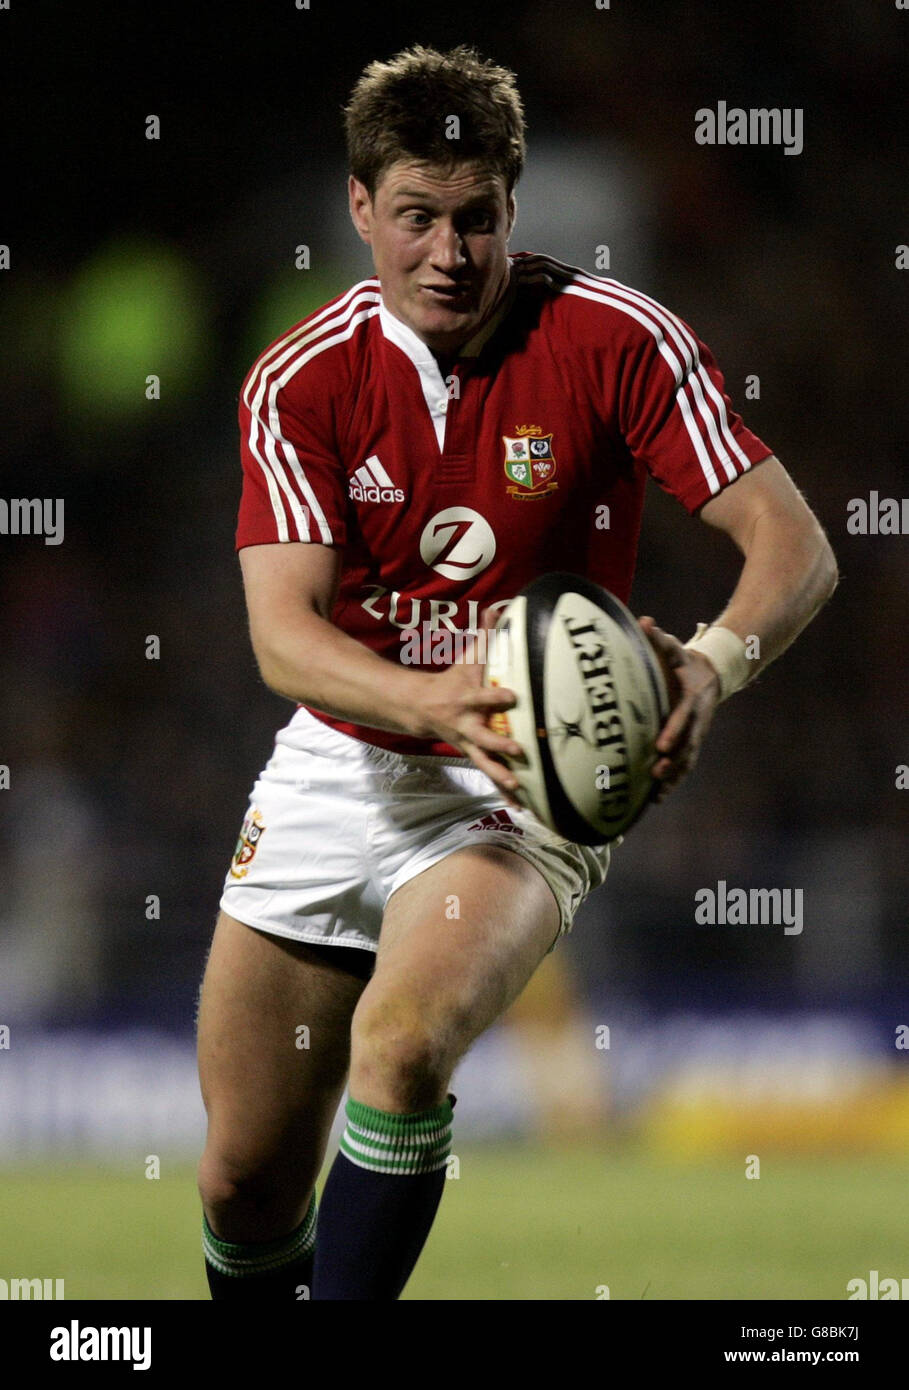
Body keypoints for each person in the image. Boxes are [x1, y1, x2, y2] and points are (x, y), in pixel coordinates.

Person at [195, 44, 837, 1301]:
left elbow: (796, 547)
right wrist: (430, 697)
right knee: (242, 1179)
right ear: (361, 208)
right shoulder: (299, 378)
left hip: (527, 778)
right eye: (419, 216)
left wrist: (708, 665)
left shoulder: (614, 339)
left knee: (404, 1042)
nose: (449, 251)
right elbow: (286, 636)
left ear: (513, 210)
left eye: (476, 217)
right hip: (342, 760)